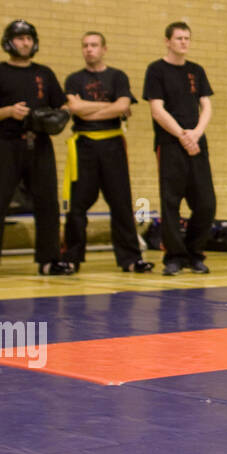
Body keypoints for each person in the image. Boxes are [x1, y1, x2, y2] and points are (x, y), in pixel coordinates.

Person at [0, 20, 74, 278]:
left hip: (40, 145)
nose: (25, 42)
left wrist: (56, 119)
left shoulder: (44, 74)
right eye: (19, 38)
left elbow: (63, 106)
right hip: (8, 144)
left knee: (48, 203)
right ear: (9, 41)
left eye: (28, 38)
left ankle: (50, 260)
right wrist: (8, 111)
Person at [63, 32, 153, 273]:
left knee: (121, 203)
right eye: (85, 45)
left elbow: (123, 106)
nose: (89, 49)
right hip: (84, 147)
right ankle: (71, 258)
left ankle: (131, 259)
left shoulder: (117, 76)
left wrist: (89, 108)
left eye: (94, 45)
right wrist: (110, 107)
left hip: (112, 145)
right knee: (77, 205)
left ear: (104, 48)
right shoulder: (73, 79)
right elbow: (74, 108)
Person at [143, 22, 216, 276]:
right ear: (167, 41)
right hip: (171, 143)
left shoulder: (196, 71)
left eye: (187, 38)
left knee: (206, 203)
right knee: (171, 202)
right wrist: (182, 135)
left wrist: (196, 133)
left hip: (197, 142)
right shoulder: (156, 70)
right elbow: (157, 109)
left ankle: (195, 254)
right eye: (178, 38)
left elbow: (206, 106)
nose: (184, 42)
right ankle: (174, 257)